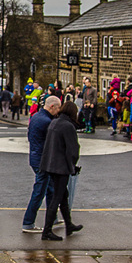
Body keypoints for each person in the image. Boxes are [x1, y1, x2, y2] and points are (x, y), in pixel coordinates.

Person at [39, 99, 83, 241]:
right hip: (61, 167)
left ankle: (69, 225)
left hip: (50, 164)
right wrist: (72, 165)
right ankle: (47, 231)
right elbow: (73, 150)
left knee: (63, 196)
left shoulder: (54, 122)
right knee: (57, 198)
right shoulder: (68, 126)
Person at [22, 95, 61, 233]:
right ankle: (28, 222)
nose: (59, 111)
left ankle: (53, 217)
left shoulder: (36, 117)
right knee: (39, 191)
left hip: (35, 157)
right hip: (43, 161)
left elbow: (30, 137)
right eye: (58, 108)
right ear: (52, 106)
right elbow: (52, 143)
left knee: (50, 189)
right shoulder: (47, 122)